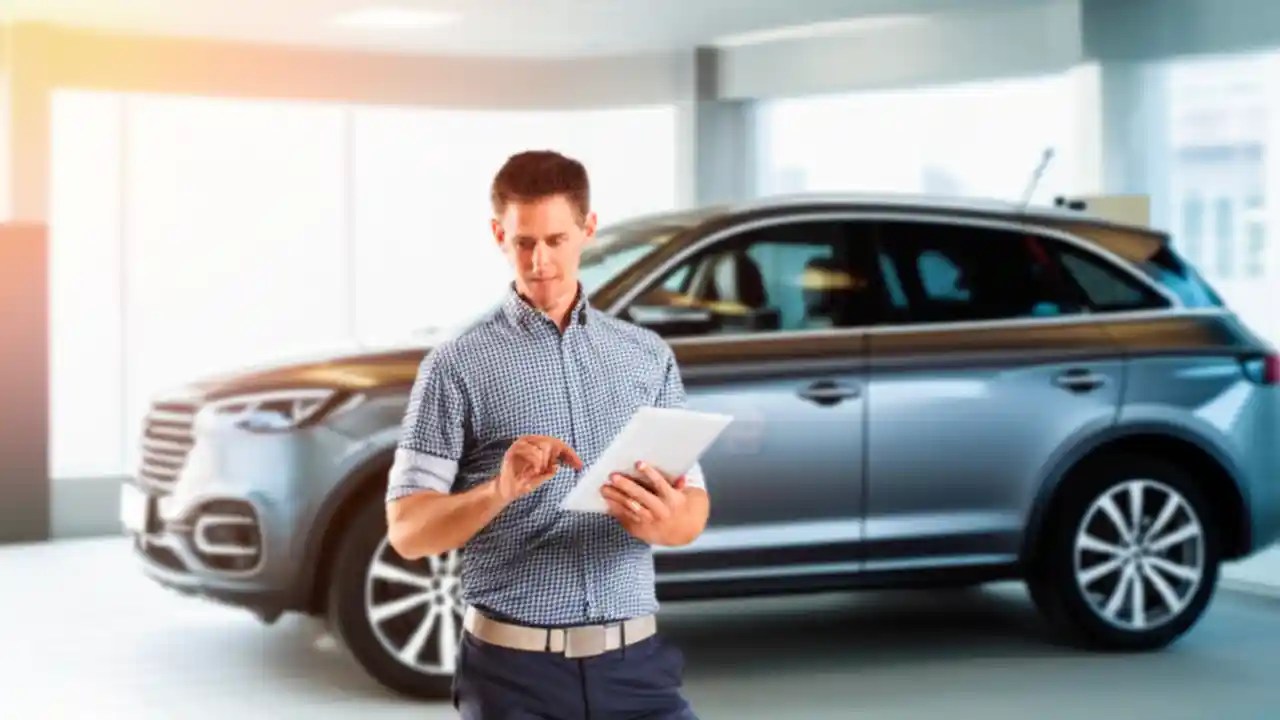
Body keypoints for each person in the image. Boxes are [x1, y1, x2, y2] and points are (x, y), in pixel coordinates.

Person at [385, 149, 710, 719]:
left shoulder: (646, 357)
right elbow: (409, 533)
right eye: (523, 242)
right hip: (515, 677)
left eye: (556, 240)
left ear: (588, 229)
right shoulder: (456, 365)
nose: (539, 262)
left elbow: (693, 509)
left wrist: (666, 520)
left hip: (636, 668)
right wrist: (499, 491)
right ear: (497, 234)